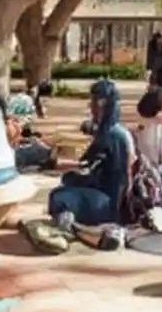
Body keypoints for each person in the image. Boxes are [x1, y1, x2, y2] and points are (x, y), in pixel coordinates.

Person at [47, 79, 130, 226]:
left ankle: (69, 221)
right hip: (102, 192)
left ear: (101, 103)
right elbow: (89, 166)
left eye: (92, 101)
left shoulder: (115, 135)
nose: (90, 106)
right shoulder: (109, 132)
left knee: (58, 197)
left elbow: (121, 179)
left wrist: (117, 214)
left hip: (108, 202)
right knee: (68, 180)